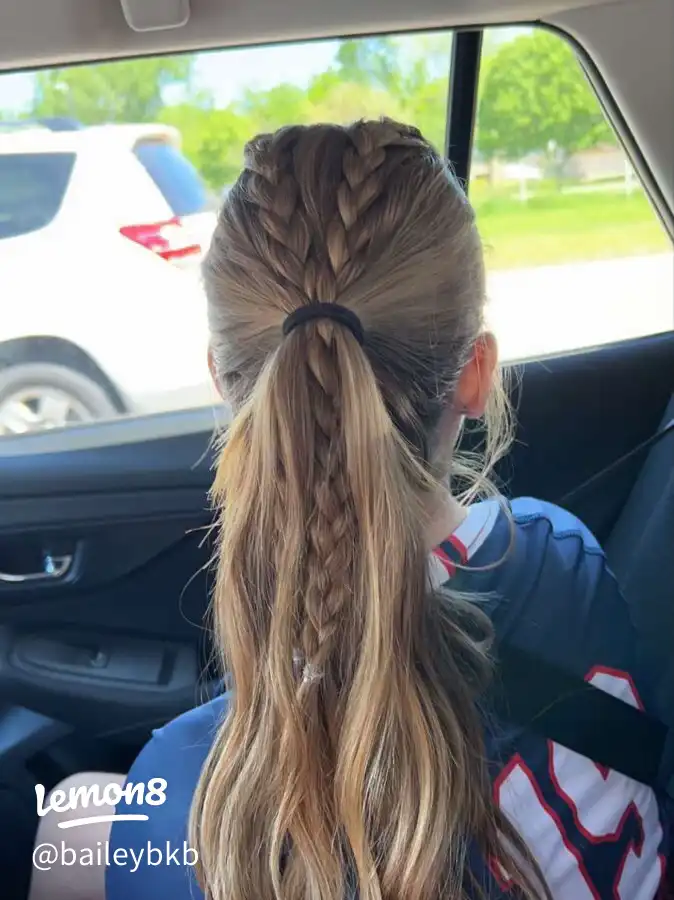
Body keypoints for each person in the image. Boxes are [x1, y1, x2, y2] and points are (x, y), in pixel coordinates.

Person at [30, 119, 670, 900]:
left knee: (67, 817)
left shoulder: (203, 808)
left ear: (227, 386)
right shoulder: (562, 554)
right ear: (476, 374)